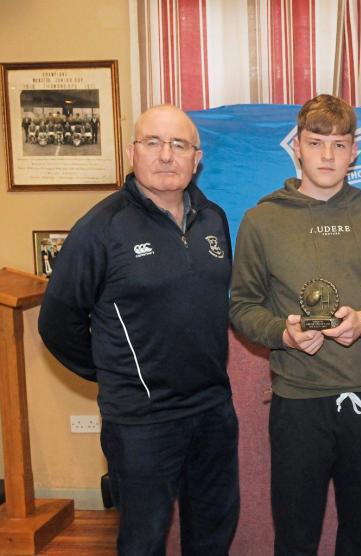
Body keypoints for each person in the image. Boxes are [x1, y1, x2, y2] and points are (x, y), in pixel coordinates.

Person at [38, 104, 240, 555]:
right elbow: (57, 322)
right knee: (143, 542)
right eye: (153, 142)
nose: (166, 155)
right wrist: (113, 373)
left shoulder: (215, 219)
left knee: (213, 536)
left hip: (212, 411)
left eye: (178, 145)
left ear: (197, 157)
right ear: (133, 151)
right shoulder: (99, 228)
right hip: (142, 423)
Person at [229, 94, 361, 555]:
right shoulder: (262, 219)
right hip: (298, 402)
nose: (327, 156)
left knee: (360, 529)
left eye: (339, 144)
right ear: (297, 146)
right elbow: (242, 305)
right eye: (316, 143)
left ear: (355, 151)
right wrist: (282, 334)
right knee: (295, 533)